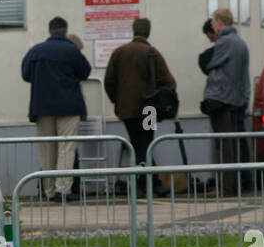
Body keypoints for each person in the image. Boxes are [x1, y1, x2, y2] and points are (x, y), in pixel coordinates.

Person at [21, 16, 91, 201]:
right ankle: (63, 190)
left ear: (50, 30)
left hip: (42, 107)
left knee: (47, 149)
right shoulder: (71, 51)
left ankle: (49, 191)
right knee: (66, 147)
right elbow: (85, 72)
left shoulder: (35, 51)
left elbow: (26, 75)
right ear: (65, 31)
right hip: (69, 106)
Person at [104, 18, 177, 173]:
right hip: (149, 109)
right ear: (148, 32)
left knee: (135, 142)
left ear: (134, 30)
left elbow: (109, 80)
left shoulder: (119, 52)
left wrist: (117, 100)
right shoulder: (152, 53)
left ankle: (144, 180)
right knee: (147, 143)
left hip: (126, 109)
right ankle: (147, 182)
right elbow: (169, 82)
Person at [201, 7, 251, 196]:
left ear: (220, 23)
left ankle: (226, 187)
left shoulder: (225, 43)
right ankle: (236, 183)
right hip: (236, 99)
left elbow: (209, 63)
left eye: (214, 22)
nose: (212, 26)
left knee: (223, 144)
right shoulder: (240, 42)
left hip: (221, 98)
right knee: (234, 143)